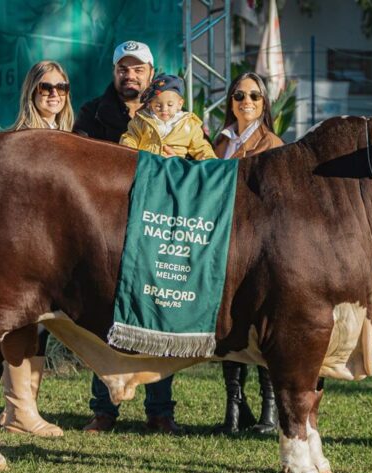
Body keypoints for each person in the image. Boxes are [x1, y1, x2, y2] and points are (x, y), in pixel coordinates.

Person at [73, 41, 180, 434]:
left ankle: (160, 411)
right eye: (123, 68)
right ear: (114, 72)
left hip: (158, 227)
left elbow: (199, 159)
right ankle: (104, 409)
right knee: (105, 316)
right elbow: (80, 164)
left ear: (151, 73)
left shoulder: (178, 114)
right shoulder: (92, 113)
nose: (130, 75)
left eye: (137, 69)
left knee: (159, 316)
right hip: (107, 230)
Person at [0, 60, 75, 437]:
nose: (54, 94)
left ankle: (24, 408)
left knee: (41, 326)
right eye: (46, 87)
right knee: (21, 323)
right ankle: (18, 411)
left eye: (61, 87)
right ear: (32, 91)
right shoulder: (18, 139)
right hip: (23, 248)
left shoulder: (72, 139)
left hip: (56, 251)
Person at [211, 72, 284, 435]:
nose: (246, 102)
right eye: (239, 95)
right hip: (223, 241)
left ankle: (270, 412)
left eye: (254, 96)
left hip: (257, 246)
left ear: (264, 102)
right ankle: (234, 408)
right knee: (230, 323)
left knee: (262, 324)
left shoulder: (272, 143)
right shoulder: (220, 140)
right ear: (231, 101)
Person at [119, 74, 216, 160]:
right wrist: (130, 156)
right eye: (158, 105)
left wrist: (209, 161)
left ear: (180, 104)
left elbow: (201, 147)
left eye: (170, 105)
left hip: (175, 169)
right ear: (150, 104)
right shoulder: (141, 121)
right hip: (147, 166)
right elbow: (130, 138)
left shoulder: (189, 125)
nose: (164, 109)